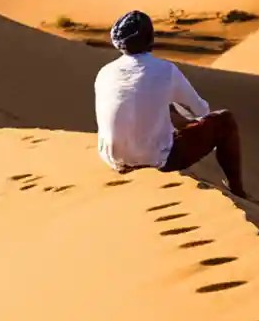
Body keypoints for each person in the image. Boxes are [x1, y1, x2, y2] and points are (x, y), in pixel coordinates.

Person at [94, 10, 247, 197]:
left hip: (112, 158)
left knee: (159, 106)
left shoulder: (104, 73)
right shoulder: (166, 70)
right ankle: (237, 190)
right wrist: (185, 120)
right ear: (150, 37)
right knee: (225, 121)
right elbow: (200, 110)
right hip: (156, 159)